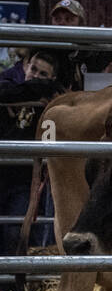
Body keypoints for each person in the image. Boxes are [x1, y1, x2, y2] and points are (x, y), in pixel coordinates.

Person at [0, 50, 62, 268]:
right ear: (25, 67)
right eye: (32, 69)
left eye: (42, 74)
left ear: (51, 79)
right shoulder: (9, 87)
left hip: (24, 181)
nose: (34, 76)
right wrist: (29, 91)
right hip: (4, 173)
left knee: (14, 229)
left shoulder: (50, 106)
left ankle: (10, 290)